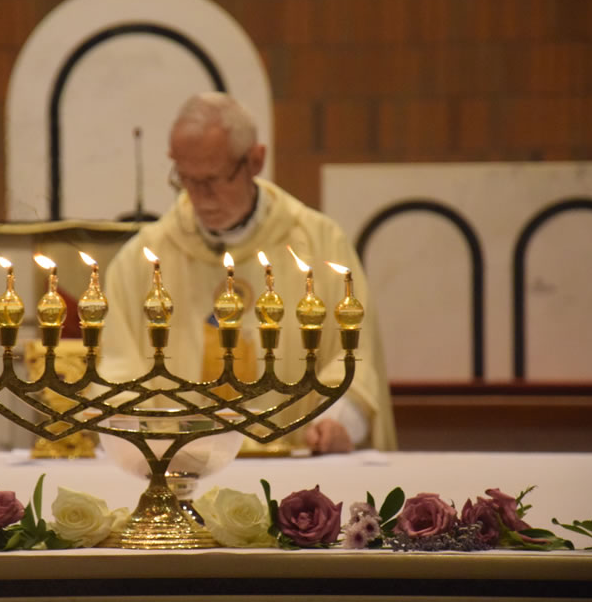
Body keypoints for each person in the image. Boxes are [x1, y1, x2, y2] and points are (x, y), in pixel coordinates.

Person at [99, 93, 397, 453]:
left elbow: (354, 357)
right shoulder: (142, 262)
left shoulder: (320, 245)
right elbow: (117, 368)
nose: (200, 197)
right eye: (186, 179)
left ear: (255, 161)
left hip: (297, 472)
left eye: (212, 179)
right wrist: (145, 434)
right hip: (179, 469)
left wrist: (337, 421)